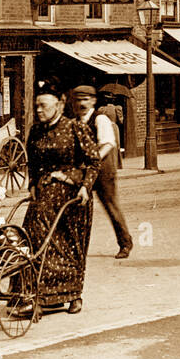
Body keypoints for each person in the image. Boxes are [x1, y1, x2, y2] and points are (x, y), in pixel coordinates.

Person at [21, 81, 101, 314]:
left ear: (59, 105)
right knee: (34, 239)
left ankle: (74, 295)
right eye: (36, 106)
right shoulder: (36, 131)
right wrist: (32, 184)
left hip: (72, 198)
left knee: (69, 247)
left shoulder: (75, 128)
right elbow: (32, 162)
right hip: (44, 196)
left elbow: (93, 161)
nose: (39, 110)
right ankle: (36, 295)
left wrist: (85, 187)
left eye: (44, 106)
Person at [70, 85, 133, 259]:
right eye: (78, 100)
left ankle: (125, 243)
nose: (82, 104)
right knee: (77, 207)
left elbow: (107, 143)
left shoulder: (100, 119)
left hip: (104, 171)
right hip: (85, 171)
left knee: (111, 206)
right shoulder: (75, 122)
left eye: (85, 100)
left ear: (93, 101)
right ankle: (76, 247)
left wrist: (93, 159)